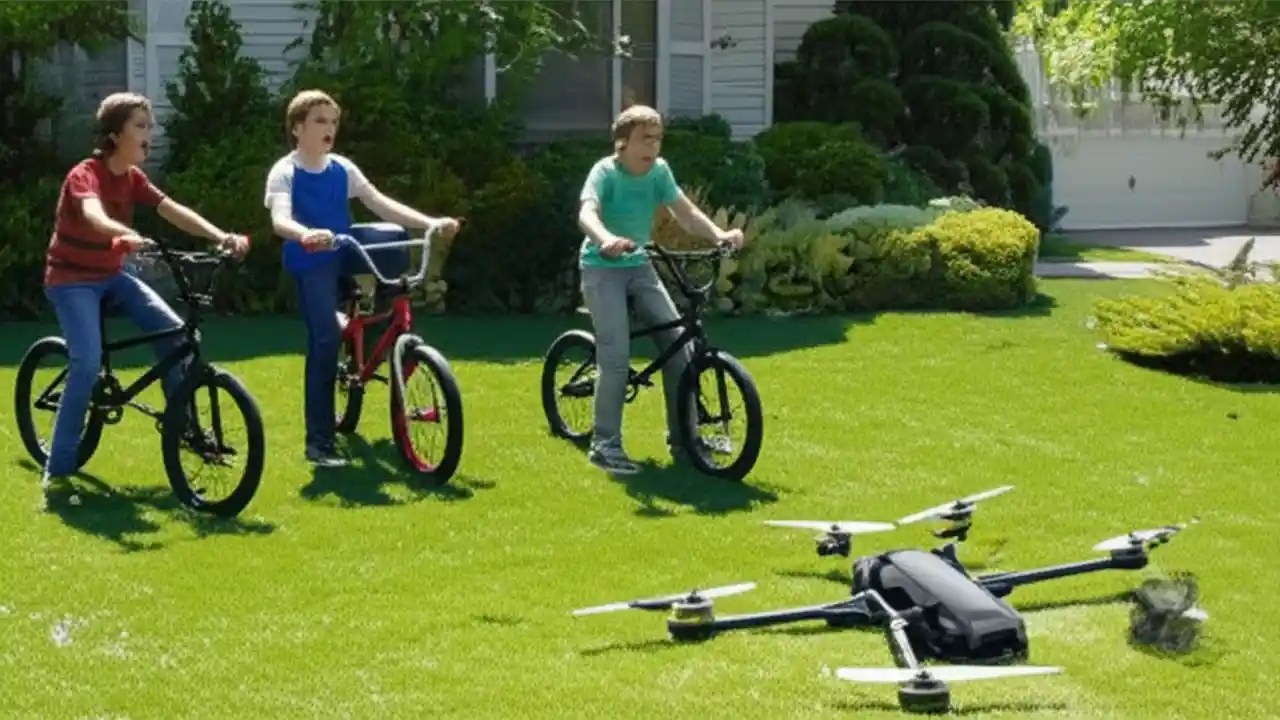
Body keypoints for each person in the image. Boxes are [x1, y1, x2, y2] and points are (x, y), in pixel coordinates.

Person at [40, 92, 250, 500]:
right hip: (71, 280)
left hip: (112, 274)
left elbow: (172, 210)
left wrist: (221, 236)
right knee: (84, 363)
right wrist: (121, 234)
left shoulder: (133, 178)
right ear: (115, 134)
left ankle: (182, 430)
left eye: (149, 125)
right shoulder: (85, 174)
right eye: (141, 125)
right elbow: (92, 213)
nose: (149, 133)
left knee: (174, 334)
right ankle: (58, 468)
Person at [263, 89, 461, 468]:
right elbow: (279, 219)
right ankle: (319, 444)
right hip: (311, 258)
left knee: (392, 255)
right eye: (320, 120)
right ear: (297, 128)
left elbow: (380, 203)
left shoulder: (342, 168)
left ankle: (379, 344)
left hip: (345, 249)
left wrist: (431, 223)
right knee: (323, 341)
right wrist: (304, 234)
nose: (329, 129)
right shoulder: (285, 171)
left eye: (333, 122)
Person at [576, 104, 745, 475]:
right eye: (644, 138)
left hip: (639, 262)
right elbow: (586, 213)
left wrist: (719, 235)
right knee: (616, 357)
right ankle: (605, 446)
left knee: (679, 348)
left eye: (657, 138)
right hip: (602, 267)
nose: (652, 146)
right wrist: (605, 239)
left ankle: (685, 440)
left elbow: (685, 213)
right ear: (622, 143)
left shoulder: (659, 172)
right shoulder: (605, 172)